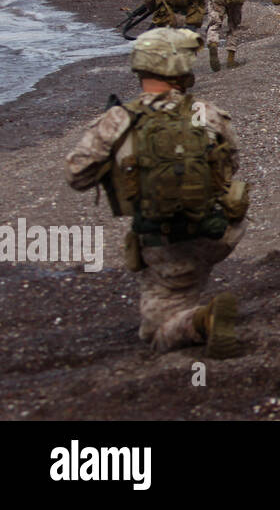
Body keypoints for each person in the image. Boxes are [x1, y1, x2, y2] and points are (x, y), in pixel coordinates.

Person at [64, 28, 249, 358]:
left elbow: (76, 176)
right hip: (219, 233)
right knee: (188, 276)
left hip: (164, 242)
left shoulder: (119, 119)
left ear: (141, 67)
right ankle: (192, 301)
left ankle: (201, 320)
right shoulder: (208, 114)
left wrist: (122, 163)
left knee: (155, 333)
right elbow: (229, 167)